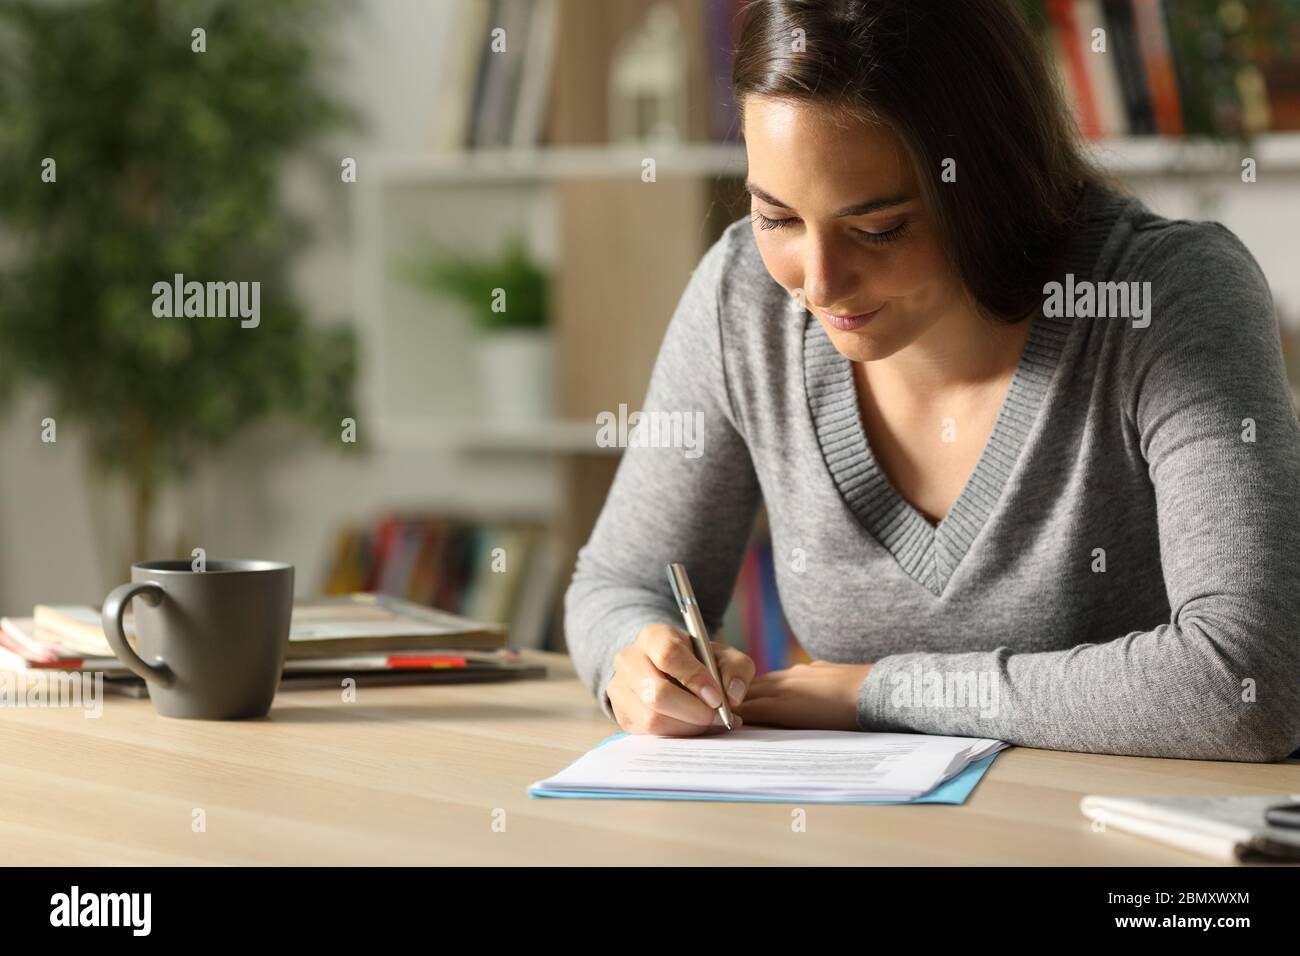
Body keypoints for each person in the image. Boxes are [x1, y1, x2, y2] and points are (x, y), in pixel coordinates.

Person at [564, 0, 1300, 761]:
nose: (818, 284)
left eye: (877, 229)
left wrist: (871, 692)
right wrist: (638, 664)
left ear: (987, 184)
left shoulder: (1166, 297)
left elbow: (1248, 683)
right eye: (777, 217)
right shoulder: (743, 299)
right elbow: (618, 584)